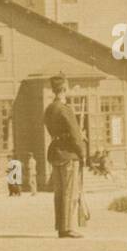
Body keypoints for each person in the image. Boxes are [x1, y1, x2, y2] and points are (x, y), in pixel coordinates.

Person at [44, 75, 86, 238]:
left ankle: (61, 227)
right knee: (70, 191)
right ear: (63, 89)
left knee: (59, 192)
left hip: (55, 152)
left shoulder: (49, 109)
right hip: (69, 153)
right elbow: (75, 134)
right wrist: (82, 153)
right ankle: (68, 227)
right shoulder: (65, 109)